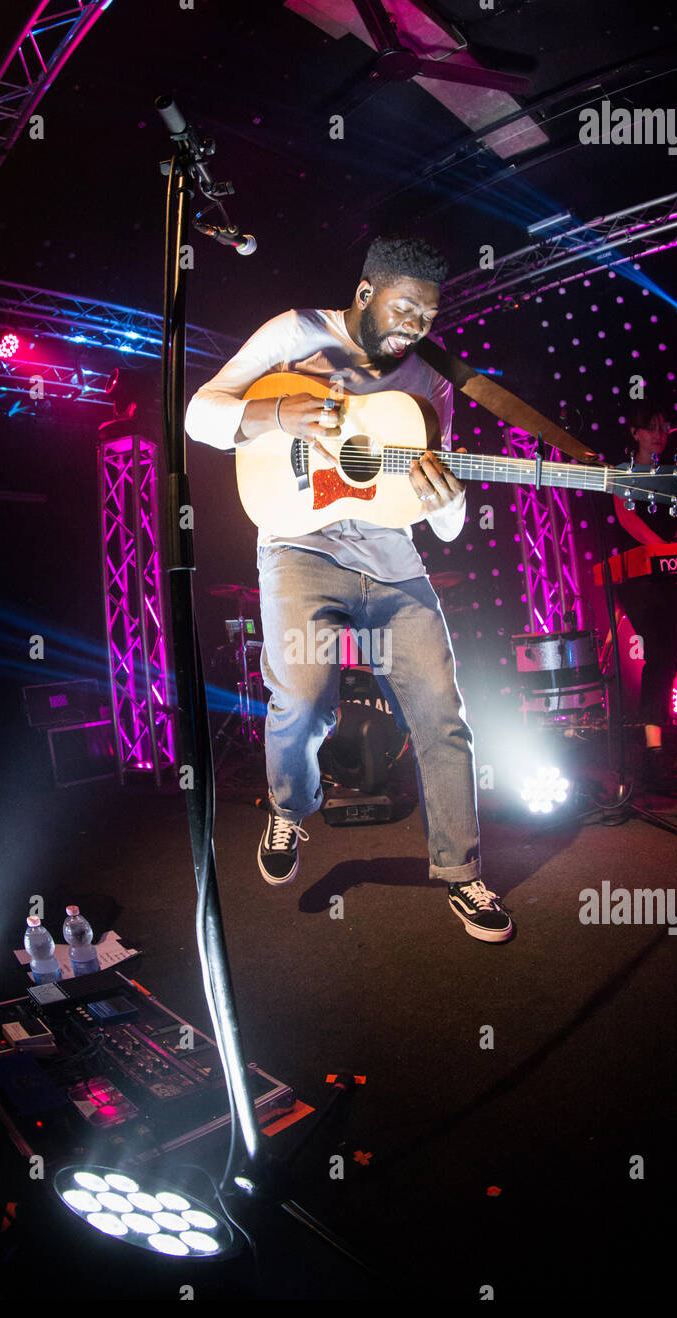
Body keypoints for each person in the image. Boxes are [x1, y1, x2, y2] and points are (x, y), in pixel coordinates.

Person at [185, 234, 514, 942]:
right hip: (298, 541)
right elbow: (199, 415)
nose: (413, 331)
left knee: (442, 713)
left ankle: (461, 874)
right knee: (301, 695)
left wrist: (448, 498)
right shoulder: (298, 330)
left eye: (425, 320)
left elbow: (448, 527)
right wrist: (275, 416)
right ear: (366, 291)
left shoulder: (431, 377)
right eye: (403, 310)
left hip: (392, 559)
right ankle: (287, 805)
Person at [611, 398, 677, 784]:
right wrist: (662, 550)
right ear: (635, 433)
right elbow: (626, 516)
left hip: (669, 572)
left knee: (669, 657)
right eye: (651, 428)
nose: (660, 435)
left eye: (664, 427)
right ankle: (652, 751)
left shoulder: (676, 474)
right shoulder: (623, 472)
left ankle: (655, 746)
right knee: (659, 652)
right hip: (639, 575)